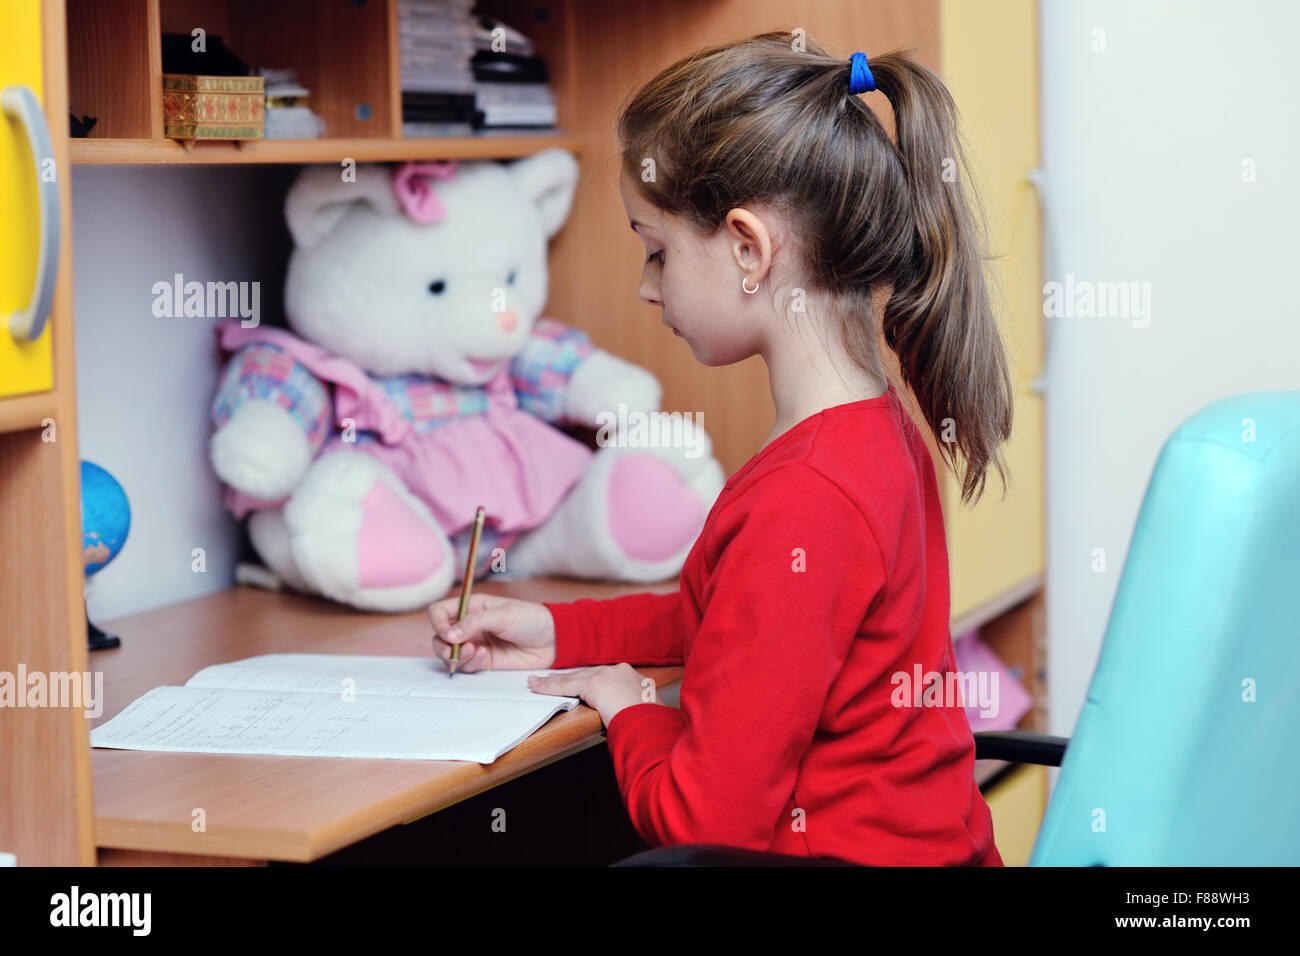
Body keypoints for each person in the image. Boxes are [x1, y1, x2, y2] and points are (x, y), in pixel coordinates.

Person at [429, 31, 1014, 866]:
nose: (645, 285)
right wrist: (560, 632)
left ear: (748, 248)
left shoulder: (806, 495)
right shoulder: (871, 429)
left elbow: (703, 822)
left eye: (657, 250)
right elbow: (735, 618)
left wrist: (627, 707)